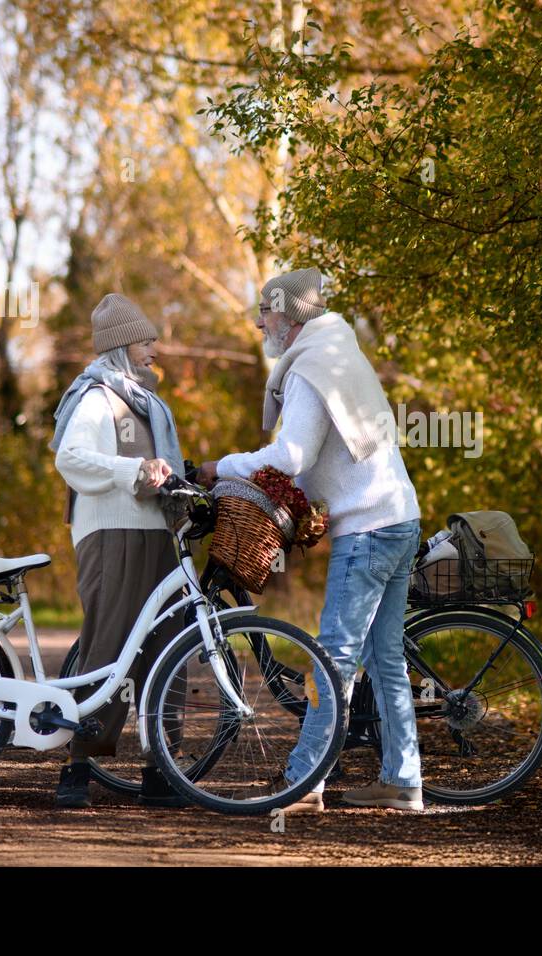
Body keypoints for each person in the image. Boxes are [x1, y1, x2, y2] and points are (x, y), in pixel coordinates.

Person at [198, 267, 424, 812]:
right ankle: (402, 780)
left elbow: (291, 455)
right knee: (386, 659)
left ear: (289, 316)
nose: (258, 323)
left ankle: (304, 783)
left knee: (333, 660)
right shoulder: (341, 354)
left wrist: (219, 466)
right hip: (400, 517)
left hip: (368, 529)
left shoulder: (310, 370)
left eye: (265, 313)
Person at [49, 292, 188, 809]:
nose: (155, 347)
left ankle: (160, 768)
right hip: (113, 534)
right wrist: (134, 471)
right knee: (108, 648)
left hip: (155, 533)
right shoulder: (97, 396)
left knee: (165, 651)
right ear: (123, 344)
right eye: (146, 339)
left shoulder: (145, 402)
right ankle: (77, 768)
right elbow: (73, 458)